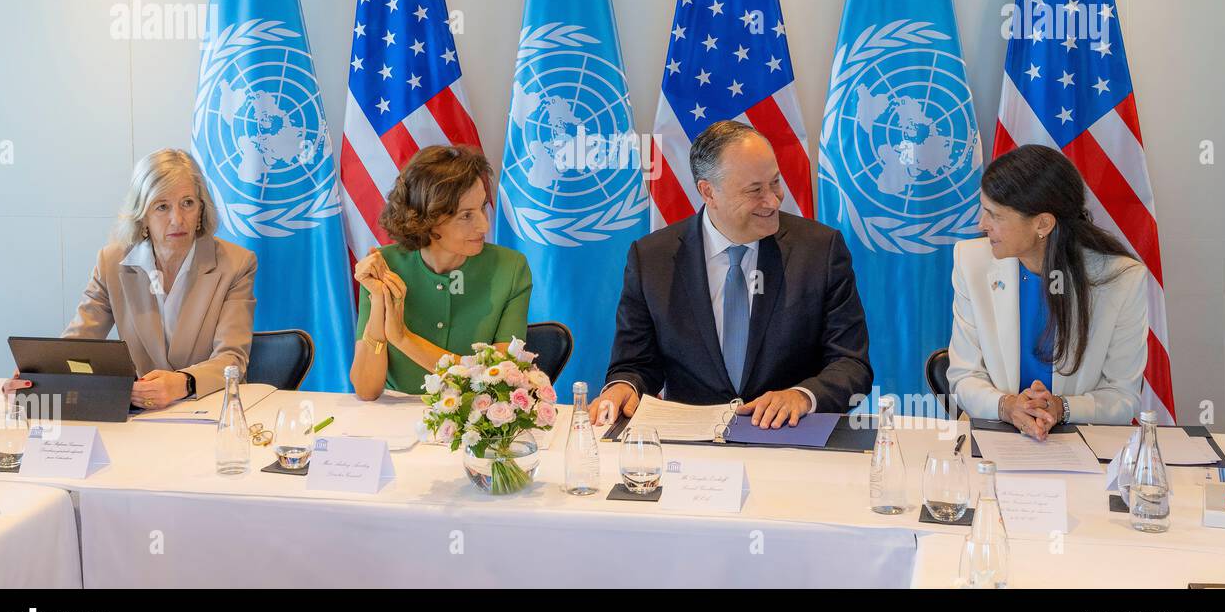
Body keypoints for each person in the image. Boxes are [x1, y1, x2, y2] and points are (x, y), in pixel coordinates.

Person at [590, 120, 872, 429]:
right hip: (690, 443)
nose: (773, 199)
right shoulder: (651, 259)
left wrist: (803, 396)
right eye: (755, 190)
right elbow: (635, 364)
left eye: (775, 182)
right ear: (708, 192)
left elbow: (851, 364)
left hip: (789, 438)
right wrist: (623, 387)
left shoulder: (820, 250)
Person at [947, 144, 1148, 434]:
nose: (982, 224)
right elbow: (964, 376)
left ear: (1043, 224)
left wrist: (1061, 407)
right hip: (995, 435)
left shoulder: (1122, 280)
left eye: (995, 215)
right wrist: (1008, 406)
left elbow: (1123, 397)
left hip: (1080, 440)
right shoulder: (970, 261)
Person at [56, 149, 256, 409]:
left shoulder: (236, 264)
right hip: (142, 413)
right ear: (142, 216)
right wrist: (38, 374)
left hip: (212, 410)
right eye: (162, 207)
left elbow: (232, 359)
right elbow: (77, 346)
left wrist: (183, 383)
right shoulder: (112, 263)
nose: (177, 219)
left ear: (201, 209)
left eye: (187, 203)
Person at [349, 145, 532, 401]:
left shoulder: (510, 268)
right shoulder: (383, 265)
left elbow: (499, 380)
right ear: (427, 219)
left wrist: (403, 338)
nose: (484, 225)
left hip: (474, 416)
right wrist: (379, 301)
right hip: (393, 418)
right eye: (466, 216)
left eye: (482, 207)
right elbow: (366, 390)